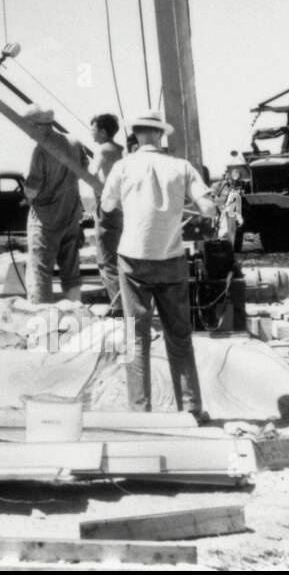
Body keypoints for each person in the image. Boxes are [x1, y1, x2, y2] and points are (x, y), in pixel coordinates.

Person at [100, 109, 218, 422]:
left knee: (135, 339)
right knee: (178, 337)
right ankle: (191, 409)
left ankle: (140, 412)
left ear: (136, 135)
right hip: (171, 259)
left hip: (133, 259)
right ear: (161, 135)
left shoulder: (123, 166)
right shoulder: (181, 166)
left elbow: (107, 205)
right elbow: (208, 208)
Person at [21, 106, 88, 308]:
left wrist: (27, 196)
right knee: (71, 271)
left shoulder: (41, 150)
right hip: (71, 215)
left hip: (46, 220)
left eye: (28, 127)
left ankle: (42, 323)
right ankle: (75, 314)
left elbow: (33, 188)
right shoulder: (74, 141)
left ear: (37, 125)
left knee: (40, 272)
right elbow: (84, 168)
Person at [90, 113, 125, 315]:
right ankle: (121, 303)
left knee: (106, 261)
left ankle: (118, 307)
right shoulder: (119, 150)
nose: (91, 133)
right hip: (119, 207)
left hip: (106, 208)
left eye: (93, 129)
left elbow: (92, 174)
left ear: (103, 131)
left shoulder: (103, 150)